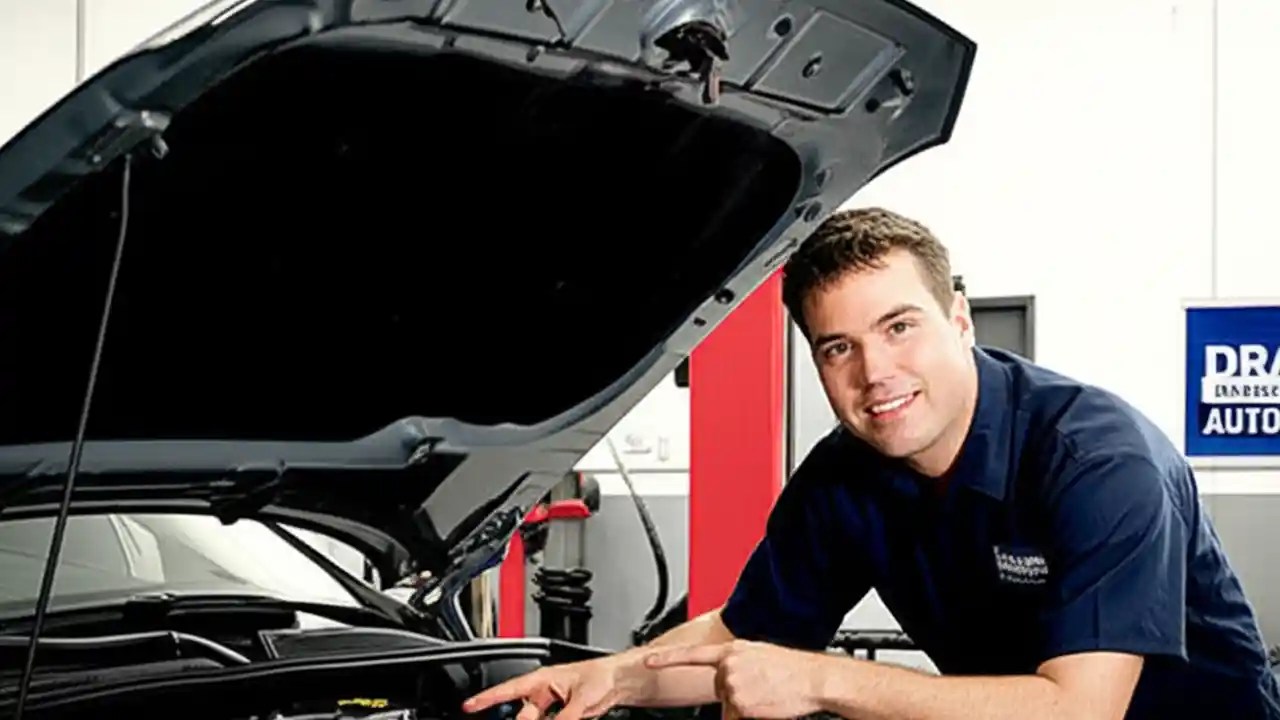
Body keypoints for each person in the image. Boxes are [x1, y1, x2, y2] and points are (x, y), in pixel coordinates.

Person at [462, 208, 1280, 720]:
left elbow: (1080, 710)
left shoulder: (1097, 461)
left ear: (960, 319)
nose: (874, 372)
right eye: (838, 348)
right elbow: (745, 635)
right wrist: (614, 679)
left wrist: (823, 682)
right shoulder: (845, 475)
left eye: (899, 327)